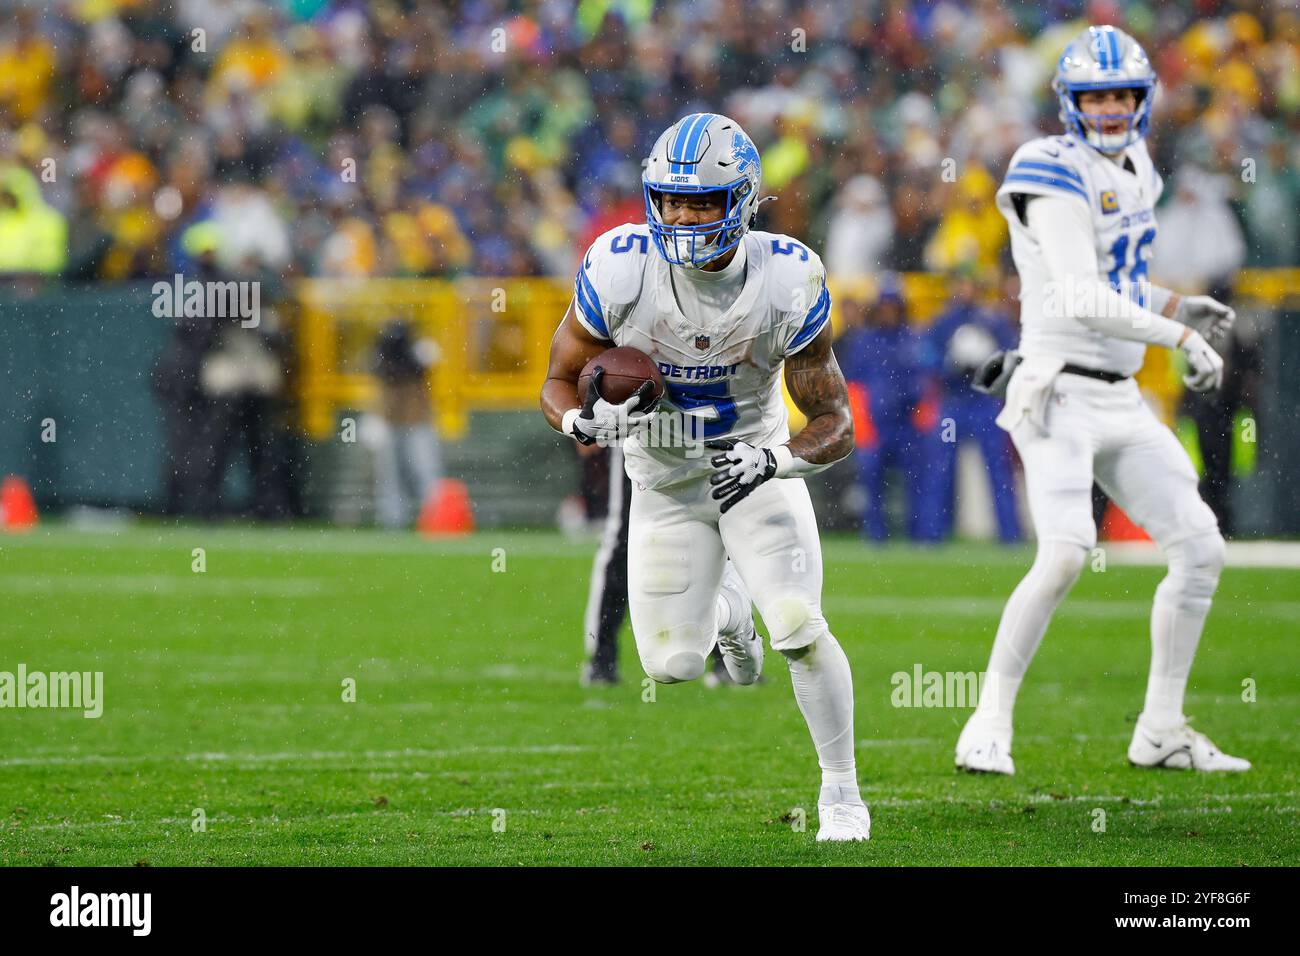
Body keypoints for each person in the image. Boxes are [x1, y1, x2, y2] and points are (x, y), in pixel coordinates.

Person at [541, 113, 870, 841]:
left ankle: (842, 795)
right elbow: (559, 379)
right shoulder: (620, 265)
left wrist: (776, 460)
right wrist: (581, 424)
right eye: (671, 201)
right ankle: (728, 615)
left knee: (797, 627)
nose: (684, 217)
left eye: (703, 203)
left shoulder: (786, 275)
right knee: (671, 663)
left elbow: (836, 422)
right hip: (663, 484)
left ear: (743, 201)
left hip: (751, 468)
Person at [956, 26, 1248, 775]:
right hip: (1057, 387)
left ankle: (1160, 728)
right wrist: (1178, 340)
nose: (1112, 107)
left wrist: (1178, 306)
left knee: (1199, 547)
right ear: (1070, 102)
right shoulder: (1047, 167)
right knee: (1064, 554)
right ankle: (986, 721)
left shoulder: (1138, 166)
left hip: (1118, 398)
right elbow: (1082, 296)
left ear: (1143, 98)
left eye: (1123, 94)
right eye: (1097, 95)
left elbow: (1116, 282)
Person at [916, 271, 1020, 543]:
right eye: (961, 283)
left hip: (984, 403)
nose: (966, 290)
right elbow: (925, 357)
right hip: (953, 401)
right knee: (940, 471)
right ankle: (932, 536)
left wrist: (987, 366)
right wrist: (951, 364)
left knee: (998, 469)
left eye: (971, 284)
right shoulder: (944, 321)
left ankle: (1011, 536)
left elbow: (1012, 356)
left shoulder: (992, 320)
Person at [835, 280, 927, 541]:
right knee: (871, 479)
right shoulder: (864, 342)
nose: (888, 312)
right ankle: (876, 535)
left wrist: (921, 422)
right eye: (884, 307)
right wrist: (863, 428)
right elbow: (854, 388)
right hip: (876, 426)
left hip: (907, 425)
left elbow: (926, 383)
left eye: (893, 307)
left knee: (917, 481)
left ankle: (919, 537)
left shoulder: (912, 339)